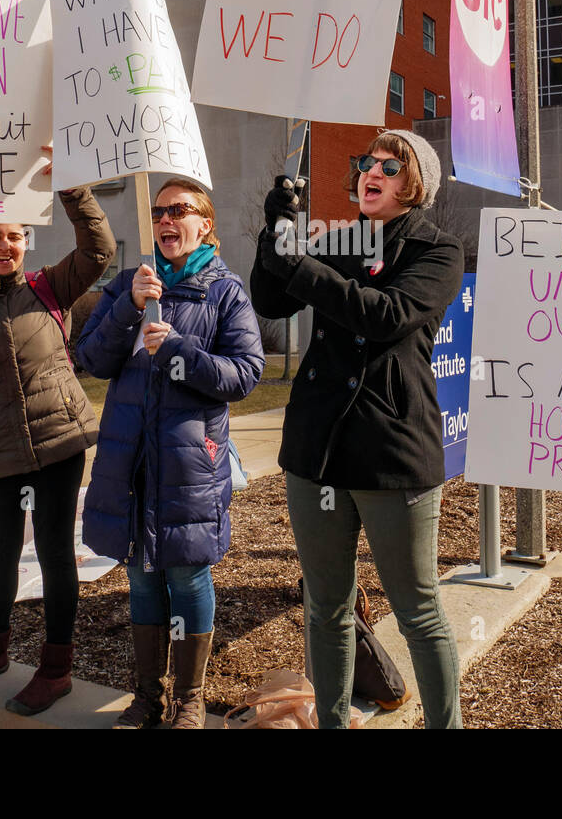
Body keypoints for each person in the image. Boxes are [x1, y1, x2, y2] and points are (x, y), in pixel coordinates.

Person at [250, 129, 465, 729]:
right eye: (368, 162)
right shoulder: (341, 239)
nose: (372, 170)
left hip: (392, 451)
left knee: (419, 611)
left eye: (390, 164)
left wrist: (302, 265)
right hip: (317, 453)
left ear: (414, 183)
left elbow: (386, 316)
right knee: (326, 606)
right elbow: (269, 300)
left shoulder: (438, 250)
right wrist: (278, 233)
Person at [79, 177, 263, 729]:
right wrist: (127, 308)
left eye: (179, 210)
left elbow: (246, 374)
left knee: (186, 575)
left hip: (190, 464)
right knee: (140, 573)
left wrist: (181, 352)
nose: (165, 219)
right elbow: (91, 357)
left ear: (205, 223)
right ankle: (146, 696)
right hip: (128, 459)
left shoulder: (224, 291)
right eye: (159, 211)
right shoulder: (129, 286)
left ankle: (190, 697)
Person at [0, 182, 115, 716]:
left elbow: (99, 249)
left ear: (25, 242)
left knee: (57, 554)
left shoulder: (49, 287)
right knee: (0, 553)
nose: (5, 245)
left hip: (58, 440)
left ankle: (55, 670)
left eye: (14, 236)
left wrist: (73, 190)